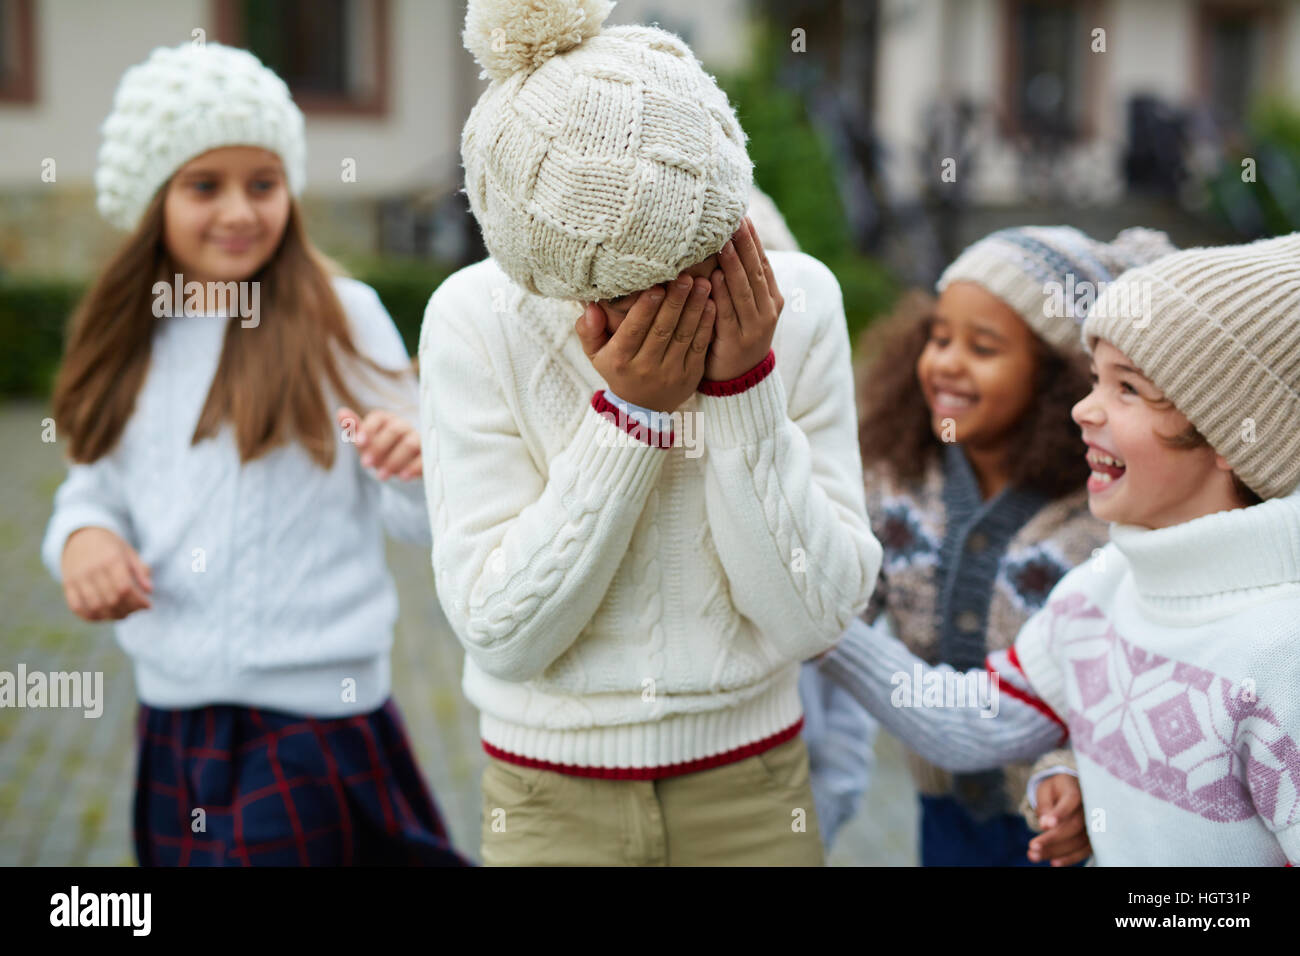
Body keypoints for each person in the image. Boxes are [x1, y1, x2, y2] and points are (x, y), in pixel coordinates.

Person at [420, 0, 881, 865]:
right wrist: (630, 422)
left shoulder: (802, 302)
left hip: (752, 786)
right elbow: (500, 630)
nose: (671, 304)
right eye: (629, 288)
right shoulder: (474, 319)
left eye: (694, 267)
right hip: (546, 793)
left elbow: (814, 618)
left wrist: (745, 388)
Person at [40, 42, 466, 866]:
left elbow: (421, 517)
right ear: (152, 199)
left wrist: (417, 459)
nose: (239, 210)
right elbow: (91, 492)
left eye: (262, 183)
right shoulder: (130, 341)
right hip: (178, 721)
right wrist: (83, 541)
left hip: (315, 727)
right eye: (206, 185)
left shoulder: (340, 317)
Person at [820, 233, 1300, 865]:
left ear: (1229, 432)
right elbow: (973, 719)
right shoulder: (1099, 593)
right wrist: (809, 614)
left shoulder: (1280, 654)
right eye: (1096, 379)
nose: (1084, 409)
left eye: (1127, 388)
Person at [847, 226, 1176, 865]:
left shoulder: (1101, 513)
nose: (947, 363)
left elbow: (1115, 679)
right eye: (939, 338)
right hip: (941, 813)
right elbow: (843, 595)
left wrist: (1070, 769)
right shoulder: (897, 477)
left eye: (983, 347)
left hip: (1064, 824)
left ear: (1060, 377)